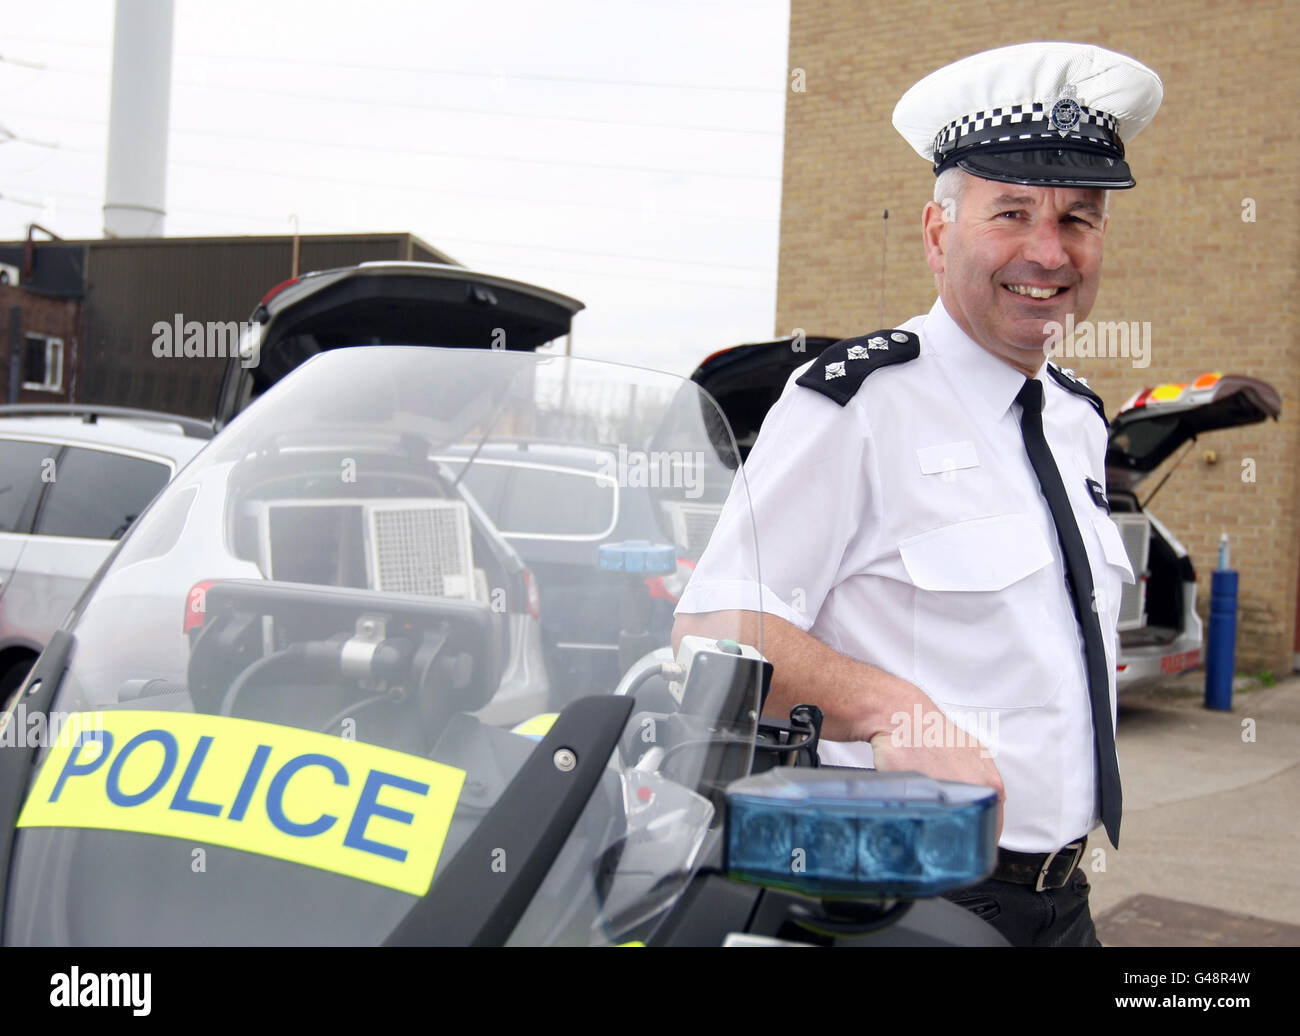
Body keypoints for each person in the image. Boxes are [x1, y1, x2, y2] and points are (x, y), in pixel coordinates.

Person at [671, 41, 1163, 947]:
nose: (1047, 253)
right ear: (939, 235)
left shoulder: (1077, 417)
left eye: (1078, 220)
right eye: (1010, 212)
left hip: (1064, 897)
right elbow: (715, 627)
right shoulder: (856, 404)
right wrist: (895, 710)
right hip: (912, 898)